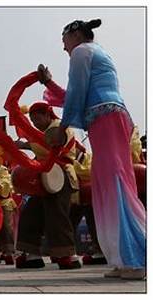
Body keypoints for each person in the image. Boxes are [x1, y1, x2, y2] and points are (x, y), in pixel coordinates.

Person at [39, 19, 146, 280]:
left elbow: (76, 92)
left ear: (74, 34)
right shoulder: (94, 53)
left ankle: (137, 258)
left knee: (116, 185)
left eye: (63, 40)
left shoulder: (82, 52)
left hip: (106, 118)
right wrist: (50, 84)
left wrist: (63, 127)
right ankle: (123, 258)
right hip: (106, 119)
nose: (63, 48)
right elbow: (78, 93)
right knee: (107, 186)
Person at [15, 102, 81, 270]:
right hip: (43, 176)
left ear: (47, 115)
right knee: (31, 212)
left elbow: (47, 143)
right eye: (32, 120)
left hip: (60, 175)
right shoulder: (43, 133)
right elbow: (40, 142)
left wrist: (26, 144)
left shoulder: (58, 127)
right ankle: (32, 254)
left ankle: (67, 255)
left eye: (37, 119)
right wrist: (24, 145)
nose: (35, 123)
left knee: (57, 216)